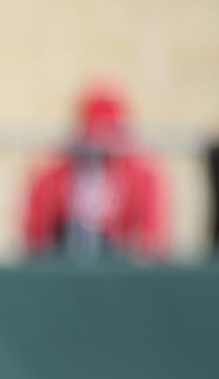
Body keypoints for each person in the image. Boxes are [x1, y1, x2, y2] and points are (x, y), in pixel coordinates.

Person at [22, 81, 168, 260]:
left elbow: (151, 239)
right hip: (65, 259)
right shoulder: (52, 174)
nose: (100, 141)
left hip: (120, 263)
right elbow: (35, 236)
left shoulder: (142, 176)